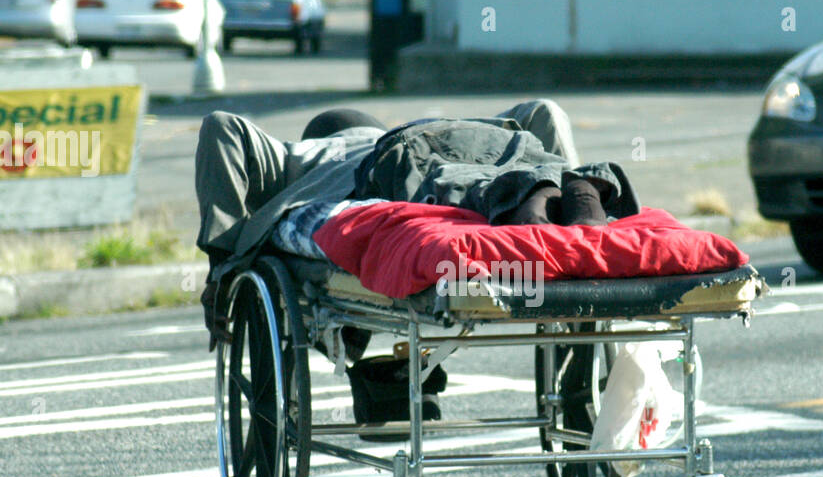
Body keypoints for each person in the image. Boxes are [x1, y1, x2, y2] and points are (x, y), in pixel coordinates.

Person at [195, 99, 640, 345]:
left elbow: (221, 127)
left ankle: (545, 195)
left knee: (447, 189)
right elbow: (542, 113)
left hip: (403, 160)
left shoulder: (306, 157)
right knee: (503, 160)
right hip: (491, 137)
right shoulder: (429, 125)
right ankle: (570, 184)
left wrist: (223, 268)